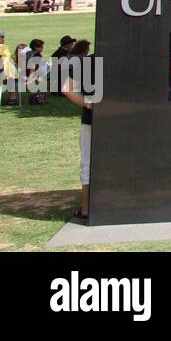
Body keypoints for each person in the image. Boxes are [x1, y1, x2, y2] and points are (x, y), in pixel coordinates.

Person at [59, 40, 94, 219]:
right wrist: (87, 103)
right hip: (108, 121)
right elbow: (66, 88)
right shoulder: (92, 62)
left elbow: (66, 88)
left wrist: (88, 103)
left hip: (93, 120)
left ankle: (86, 207)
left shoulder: (92, 62)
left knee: (88, 162)